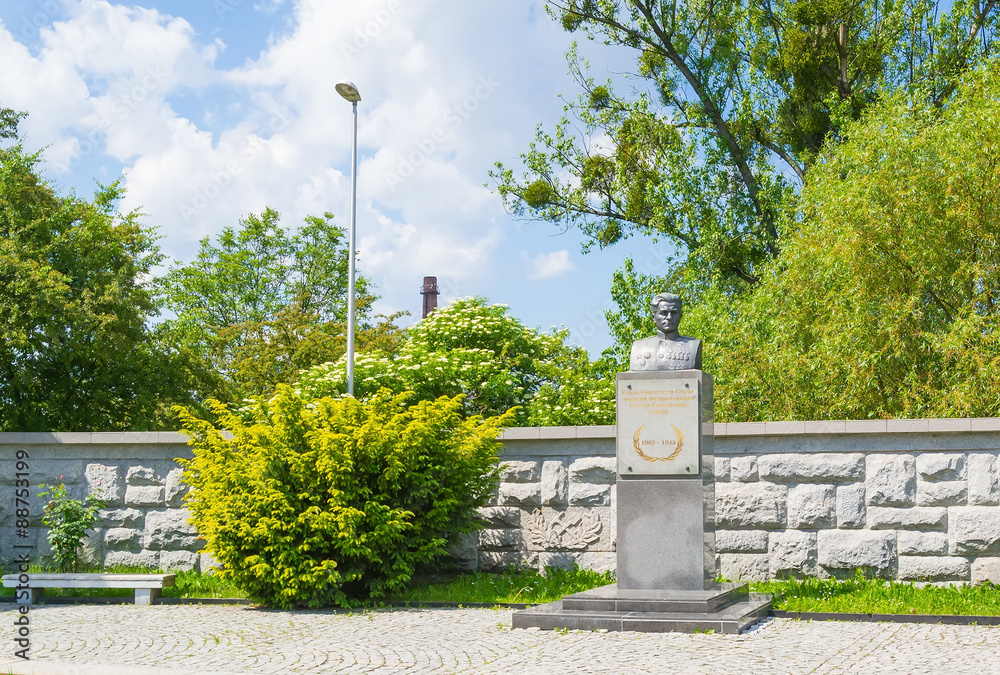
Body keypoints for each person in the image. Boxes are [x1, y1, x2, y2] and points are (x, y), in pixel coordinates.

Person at [628, 292, 702, 371]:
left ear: (680, 316)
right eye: (664, 313)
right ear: (654, 317)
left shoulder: (692, 345)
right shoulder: (638, 347)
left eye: (674, 313)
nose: (669, 317)